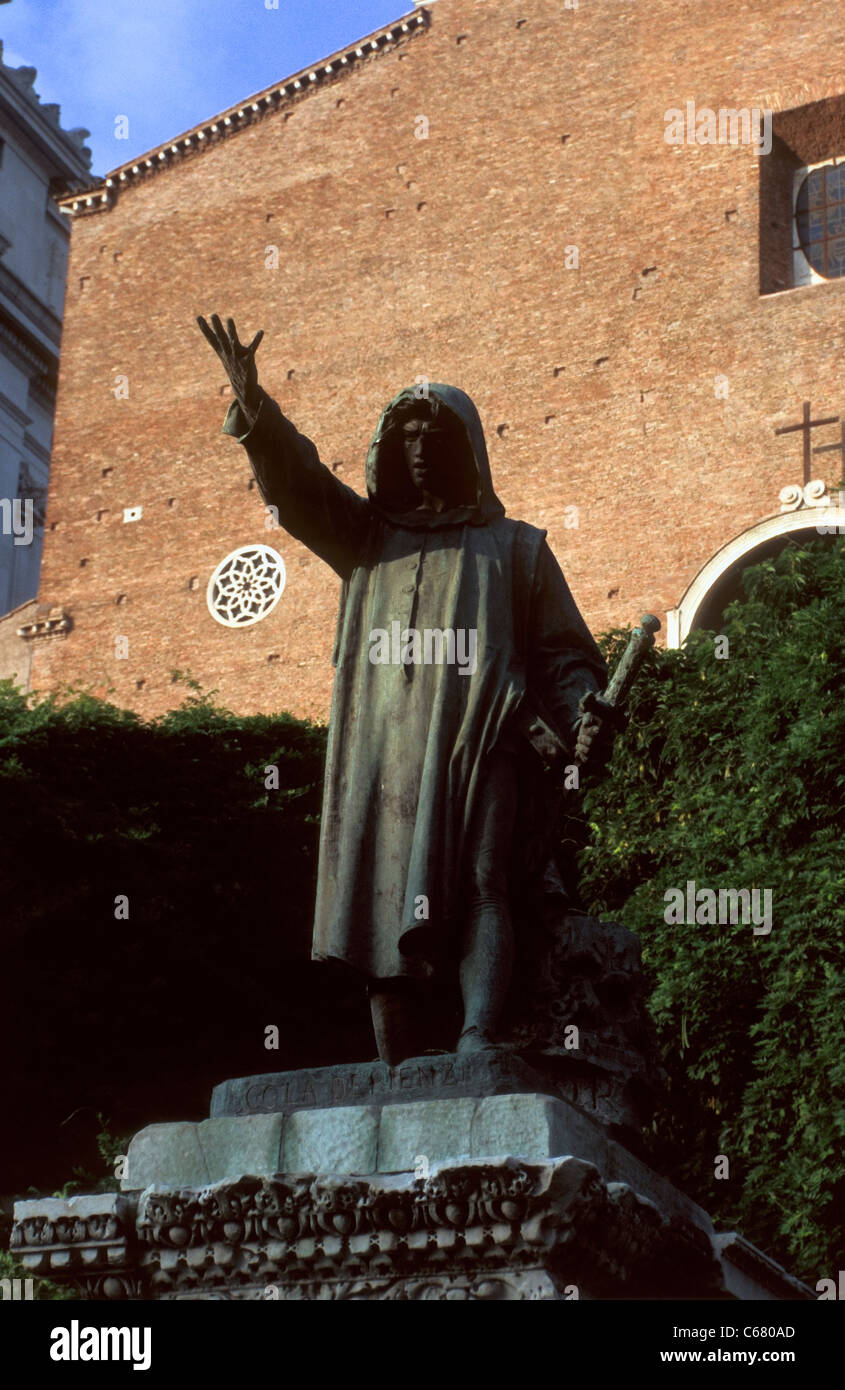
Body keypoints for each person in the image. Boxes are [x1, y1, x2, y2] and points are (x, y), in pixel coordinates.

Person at [197, 315, 615, 1064]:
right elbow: (298, 488)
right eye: (408, 436)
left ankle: (477, 1036)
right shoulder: (364, 537)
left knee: (485, 876)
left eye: (436, 436)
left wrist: (585, 707)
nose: (420, 449)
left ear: (467, 449)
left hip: (484, 734)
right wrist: (255, 409)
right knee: (380, 898)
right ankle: (393, 1073)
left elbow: (562, 654)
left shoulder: (516, 548)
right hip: (384, 747)